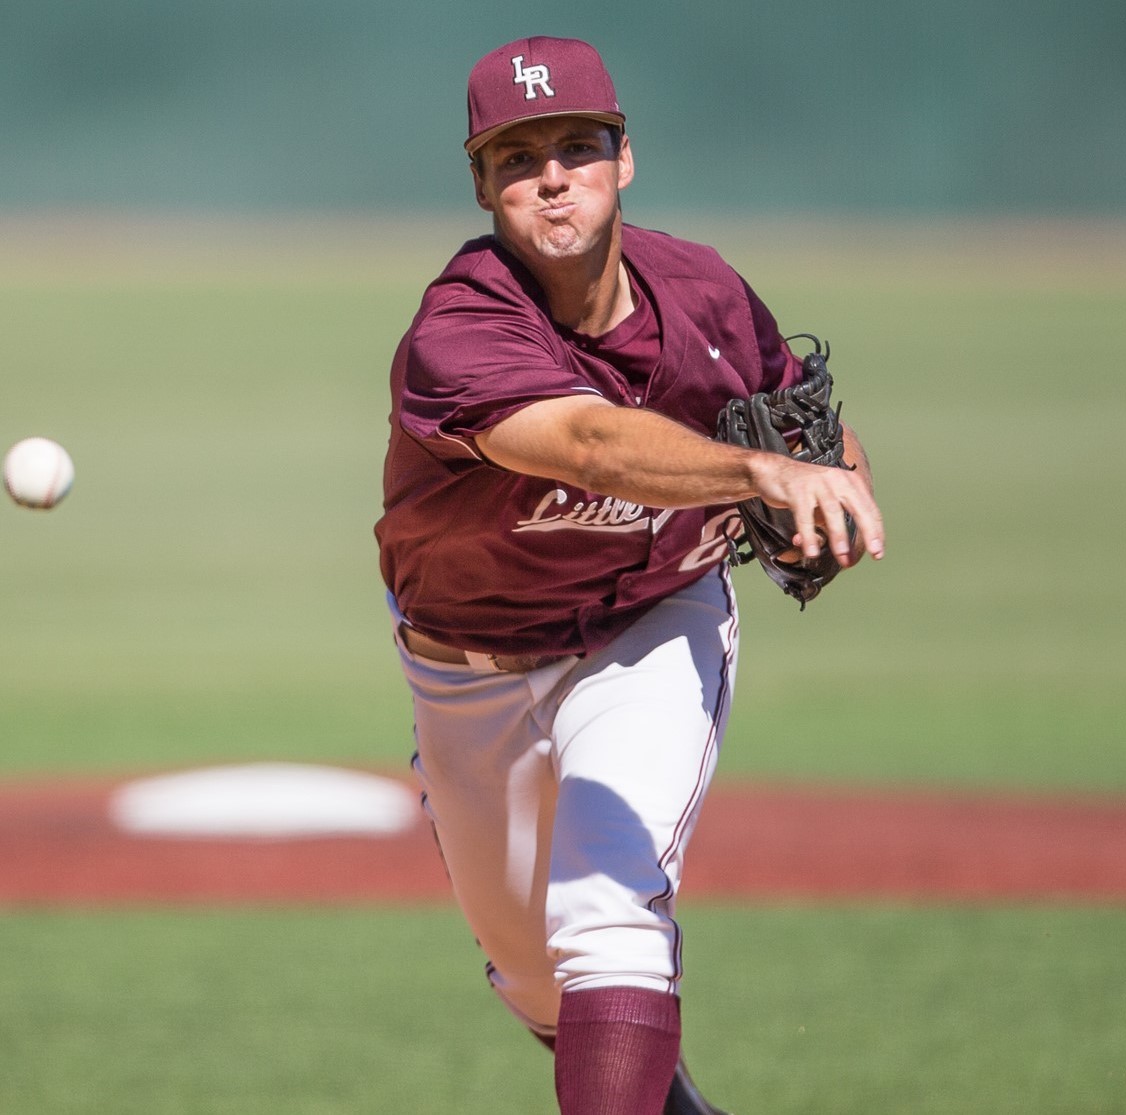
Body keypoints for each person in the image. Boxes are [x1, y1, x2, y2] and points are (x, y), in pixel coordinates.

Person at [376, 36, 885, 1115]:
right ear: (480, 183)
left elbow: (806, 419)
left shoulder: (701, 292)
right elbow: (590, 446)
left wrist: (836, 481)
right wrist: (753, 468)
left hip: (646, 622)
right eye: (517, 157)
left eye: (576, 146)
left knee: (607, 911)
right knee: (534, 975)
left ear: (622, 160)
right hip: (466, 662)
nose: (551, 175)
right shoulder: (458, 329)